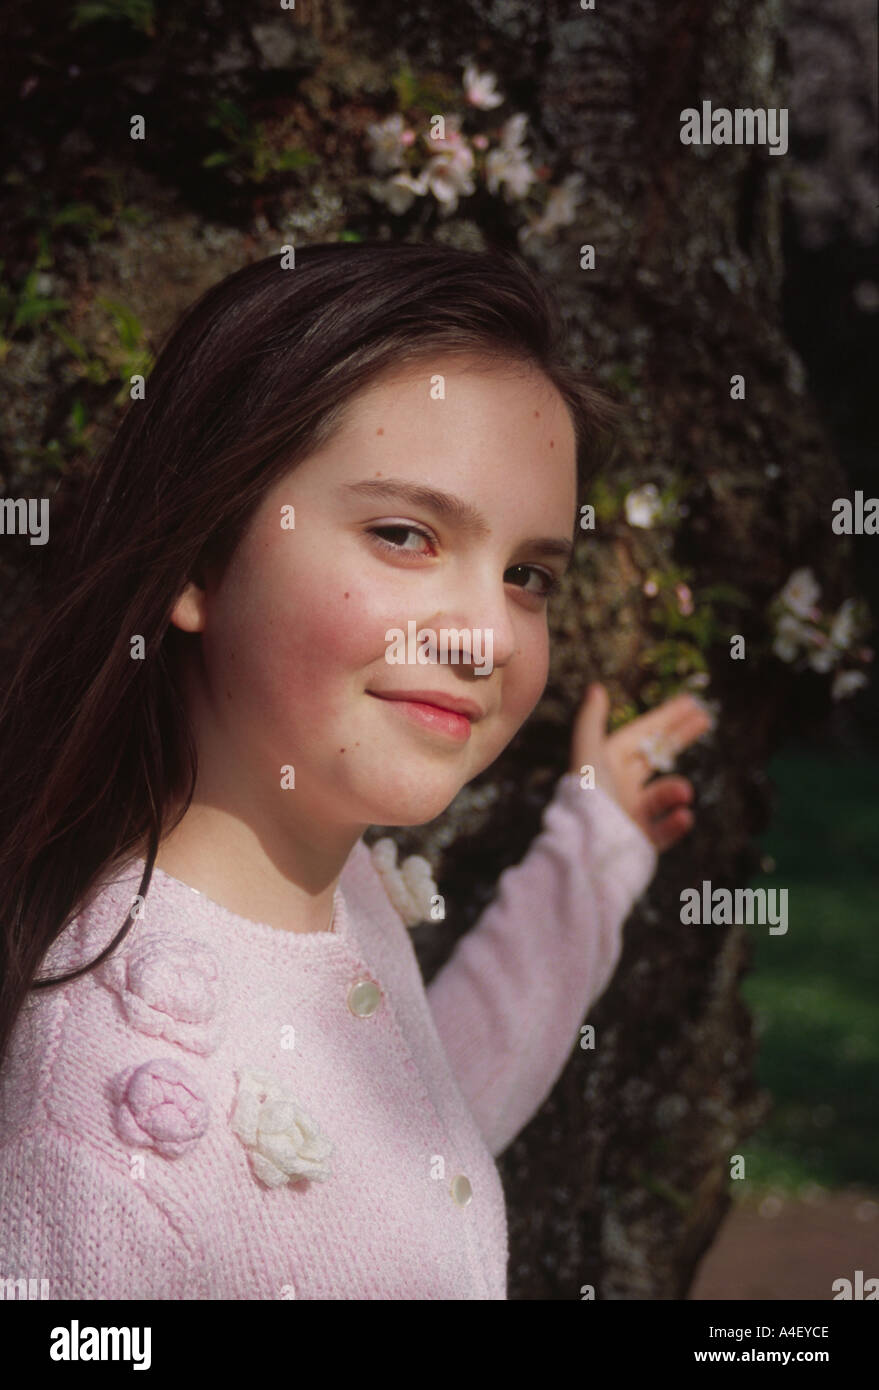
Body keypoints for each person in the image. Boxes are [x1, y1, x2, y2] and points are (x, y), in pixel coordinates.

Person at [0, 241, 711, 1299]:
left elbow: (413, 1130)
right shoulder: (117, 1117)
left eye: (526, 574)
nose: (487, 635)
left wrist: (593, 854)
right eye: (404, 533)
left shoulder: (330, 899)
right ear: (200, 559)